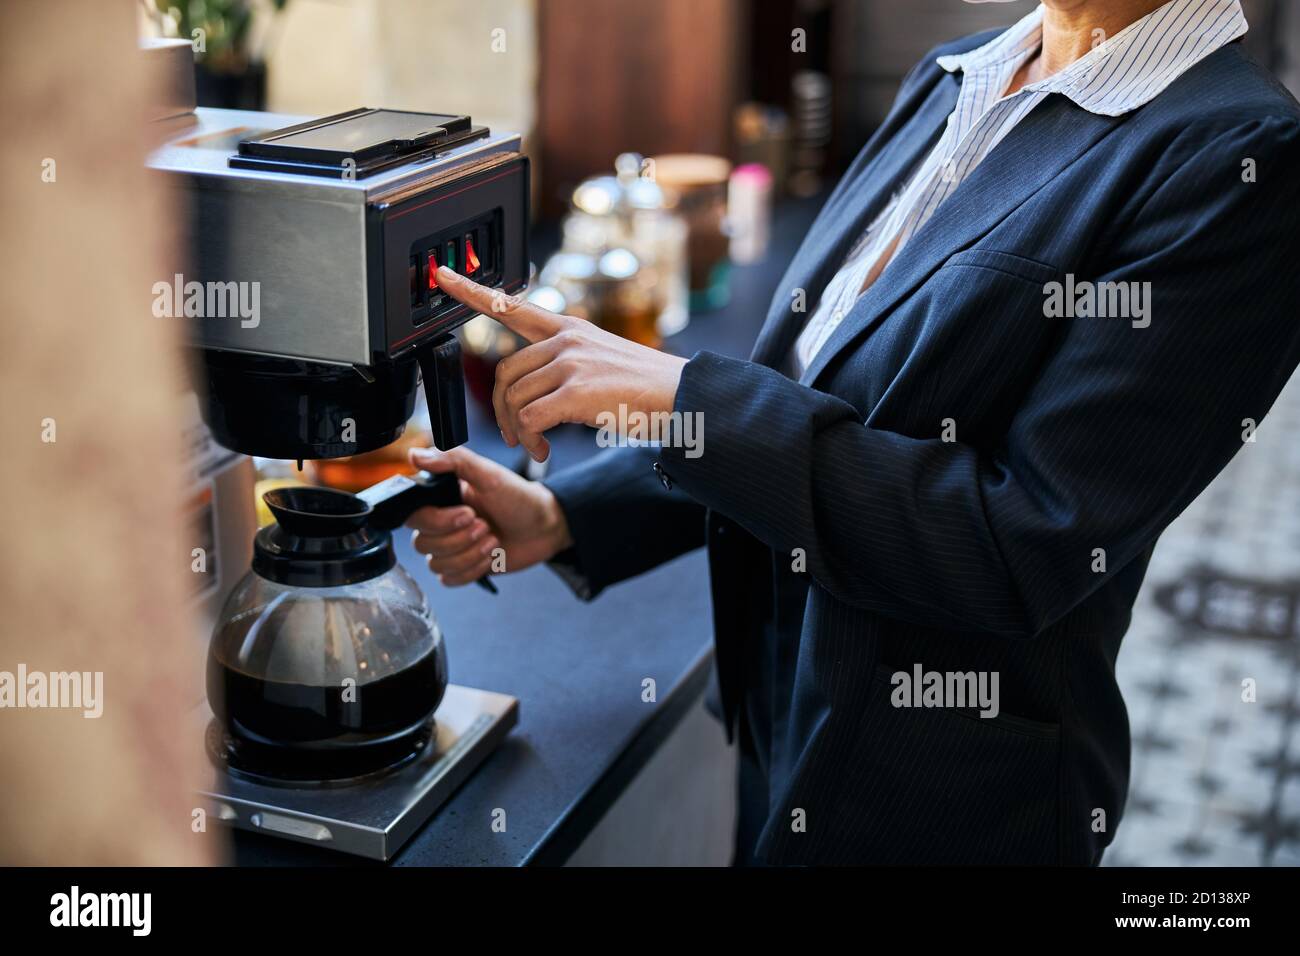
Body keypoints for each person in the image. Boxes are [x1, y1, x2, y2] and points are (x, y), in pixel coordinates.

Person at [408, 0, 1300, 864]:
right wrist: (569, 515)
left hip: (940, 791)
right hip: (783, 718)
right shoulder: (957, 75)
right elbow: (815, 397)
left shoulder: (1241, 155)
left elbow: (1023, 539)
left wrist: (688, 400)